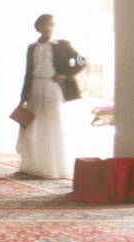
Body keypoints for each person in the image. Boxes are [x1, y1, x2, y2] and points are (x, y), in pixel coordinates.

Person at [16, 13, 86, 178]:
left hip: (53, 87)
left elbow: (82, 61)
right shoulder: (32, 47)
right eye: (47, 25)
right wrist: (24, 94)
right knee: (35, 125)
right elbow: (28, 72)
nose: (50, 28)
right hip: (35, 88)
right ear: (39, 27)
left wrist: (65, 75)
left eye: (52, 25)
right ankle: (34, 165)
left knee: (53, 123)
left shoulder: (62, 45)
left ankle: (54, 167)